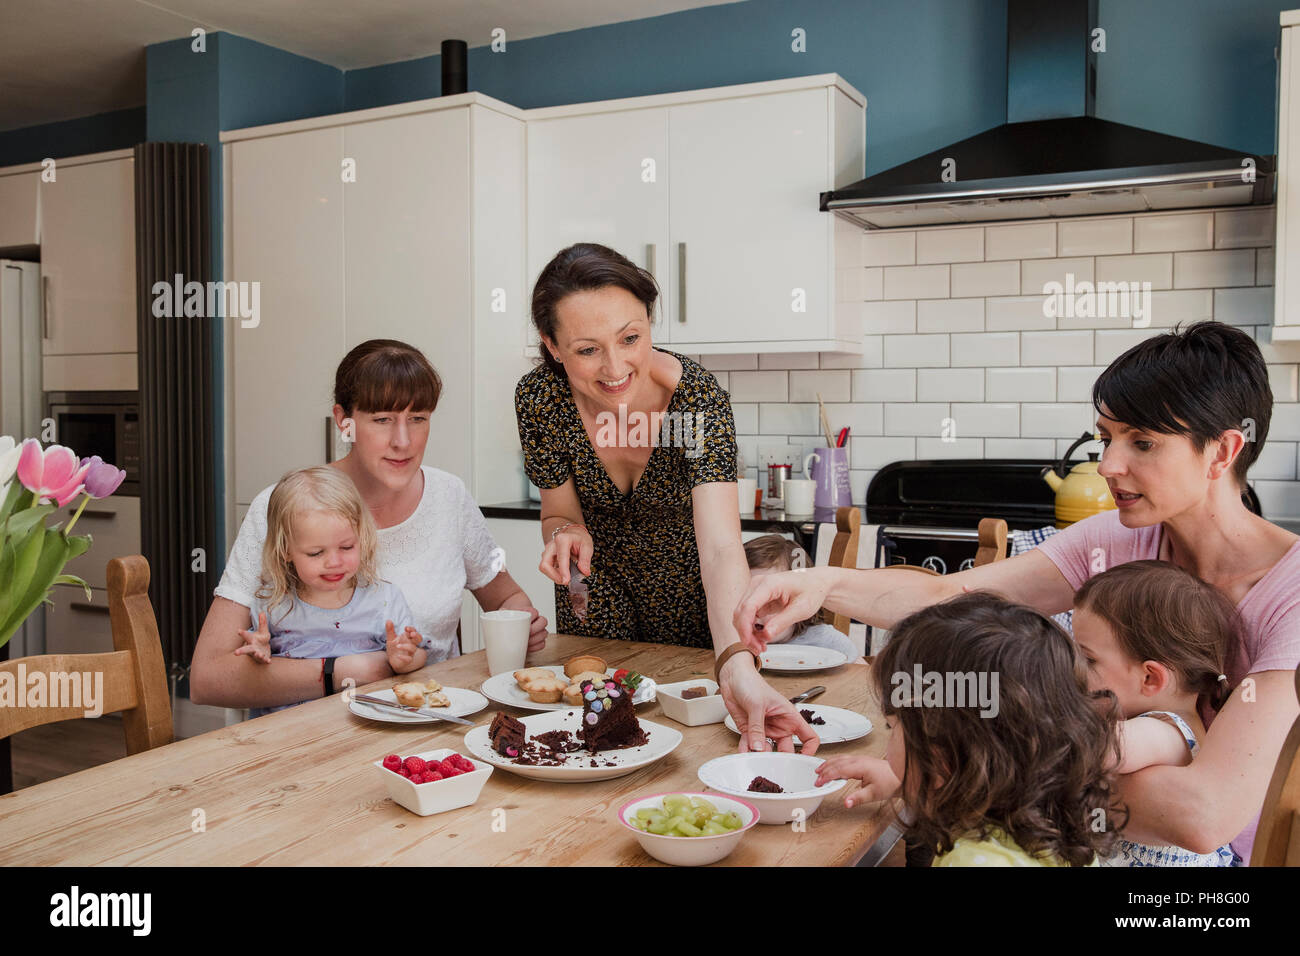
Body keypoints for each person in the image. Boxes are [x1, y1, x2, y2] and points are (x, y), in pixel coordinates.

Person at [735, 321, 1300, 863]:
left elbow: (1200, 817)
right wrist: (824, 583)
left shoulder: (1291, 593)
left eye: (1142, 443)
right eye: (1106, 439)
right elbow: (952, 597)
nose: (1107, 464)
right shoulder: (1118, 539)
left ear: (1223, 451)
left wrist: (958, 764)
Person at [516, 242, 818, 752]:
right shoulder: (540, 399)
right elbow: (559, 511)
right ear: (552, 345)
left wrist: (736, 662)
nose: (615, 368)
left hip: (692, 597)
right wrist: (565, 532)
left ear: (650, 323)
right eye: (587, 350)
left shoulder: (696, 402)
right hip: (593, 597)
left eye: (630, 338)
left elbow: (723, 550)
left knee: (689, 746)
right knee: (588, 743)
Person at [191, 339, 548, 712]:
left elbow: (506, 598)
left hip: (428, 726)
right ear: (343, 421)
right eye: (382, 420)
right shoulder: (281, 505)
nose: (403, 441)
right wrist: (343, 671)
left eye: (418, 418)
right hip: (307, 738)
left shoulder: (449, 496)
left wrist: (523, 624)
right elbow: (208, 679)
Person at [816, 592, 1119, 866]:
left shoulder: (972, 862)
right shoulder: (1057, 824)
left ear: (943, 754)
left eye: (892, 727)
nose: (887, 743)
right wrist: (905, 783)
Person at [1073, 560, 1238, 866]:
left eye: (1087, 659)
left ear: (1150, 678)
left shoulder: (1168, 731)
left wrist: (1035, 713)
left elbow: (1099, 748)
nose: (1073, 671)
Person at [234, 466, 427, 717]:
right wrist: (259, 655)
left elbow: (419, 657)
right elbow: (256, 672)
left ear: (362, 537)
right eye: (316, 553)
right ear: (285, 550)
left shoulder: (384, 599)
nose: (334, 562)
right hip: (286, 734)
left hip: (362, 726)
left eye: (346, 547)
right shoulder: (272, 604)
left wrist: (403, 659)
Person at [743, 535, 862, 663]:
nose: (755, 607)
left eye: (772, 597)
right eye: (746, 594)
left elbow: (863, 677)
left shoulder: (826, 640)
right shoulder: (728, 639)